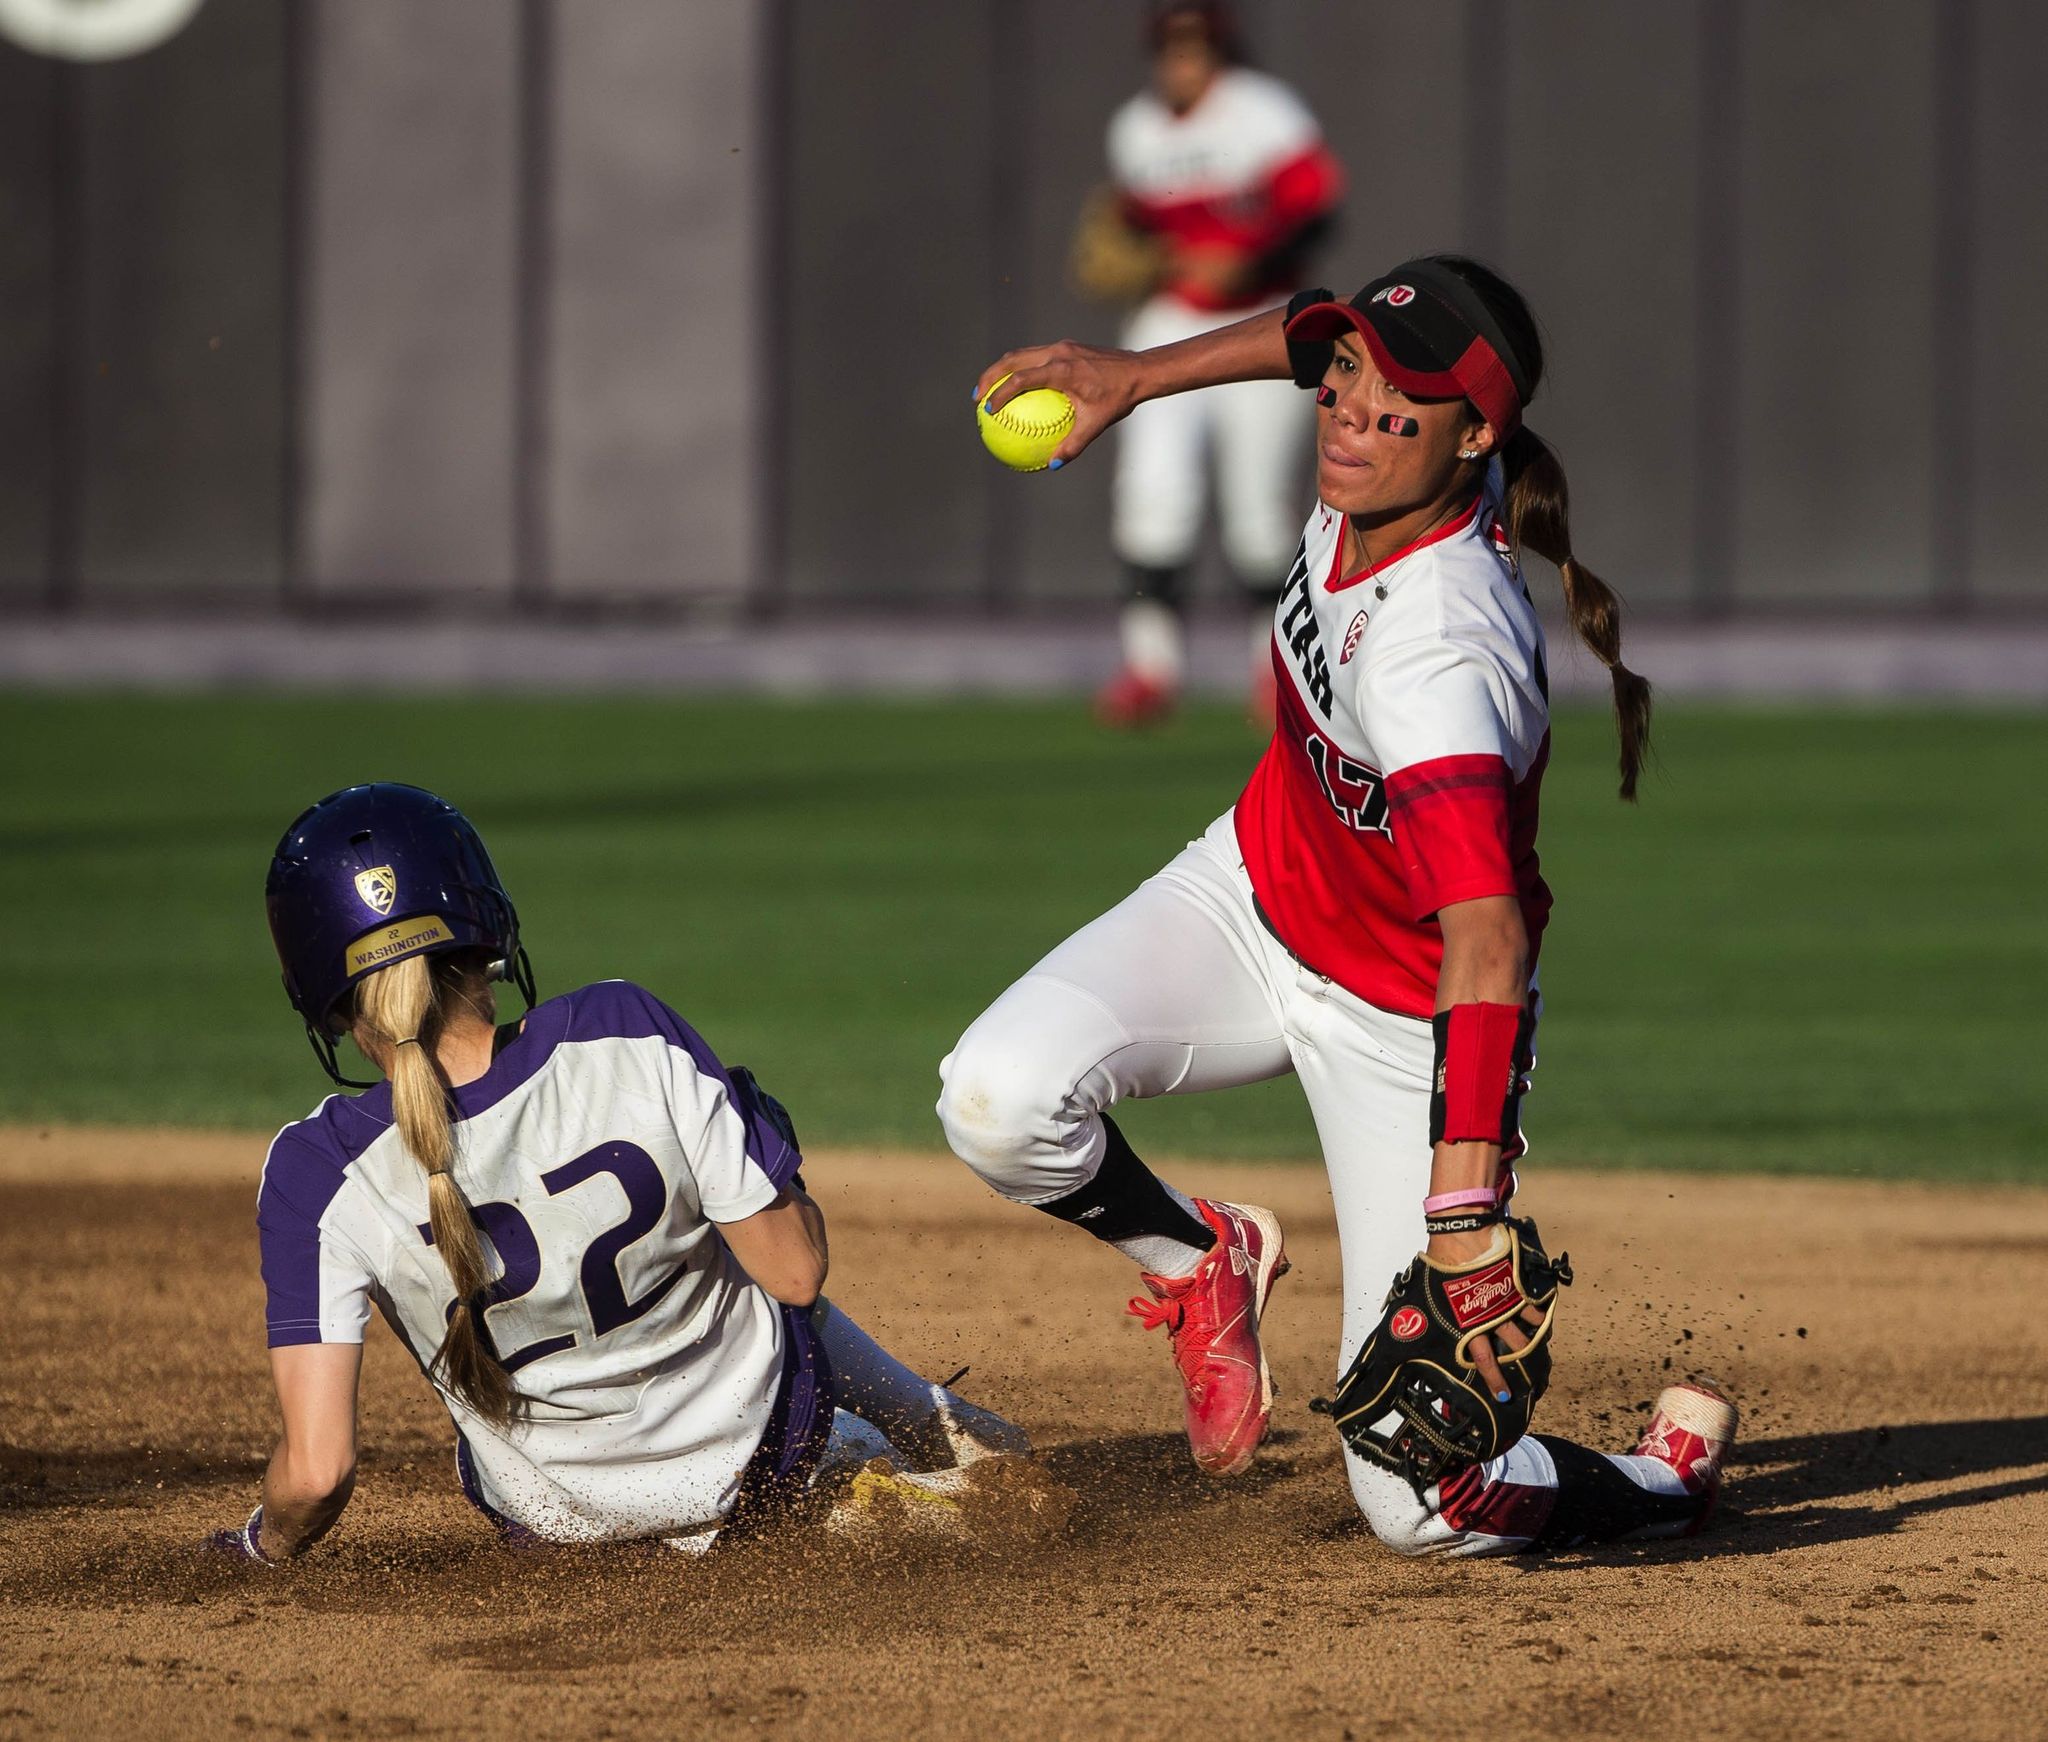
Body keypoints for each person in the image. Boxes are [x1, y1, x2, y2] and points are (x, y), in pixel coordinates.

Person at [947, 256, 1739, 1555]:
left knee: (1416, 1499)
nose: (1354, 413)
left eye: (1402, 402)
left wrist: (1464, 1210)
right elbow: (1300, 347)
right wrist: (1133, 378)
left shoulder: (1442, 650)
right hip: (1252, 891)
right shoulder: (1376, 457)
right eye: (1348, 376)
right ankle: (1205, 1256)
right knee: (997, 1097)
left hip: (1402, 1016)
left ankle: (1660, 1480)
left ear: (1476, 434)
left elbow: (1486, 936)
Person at [209, 782, 1025, 1563]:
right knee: (739, 1245)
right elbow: (796, 1273)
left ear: (321, 991)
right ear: (483, 926)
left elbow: (316, 1477)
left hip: (568, 1527)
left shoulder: (312, 1172)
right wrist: (775, 1162)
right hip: (769, 1456)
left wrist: (259, 1545)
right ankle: (913, 1435)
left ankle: (892, 1455)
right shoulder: (622, 1030)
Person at [1072, 0, 1343, 727]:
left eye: (1195, 45)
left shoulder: (1262, 111)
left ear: (1219, 49)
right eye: (1171, 45)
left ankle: (1277, 671)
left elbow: (1320, 211)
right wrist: (1134, 253)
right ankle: (1150, 668)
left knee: (1257, 511)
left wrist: (1250, 256)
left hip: (1261, 322)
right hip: (1170, 319)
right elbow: (1130, 233)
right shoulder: (1135, 128)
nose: (1181, 59)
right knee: (1152, 496)